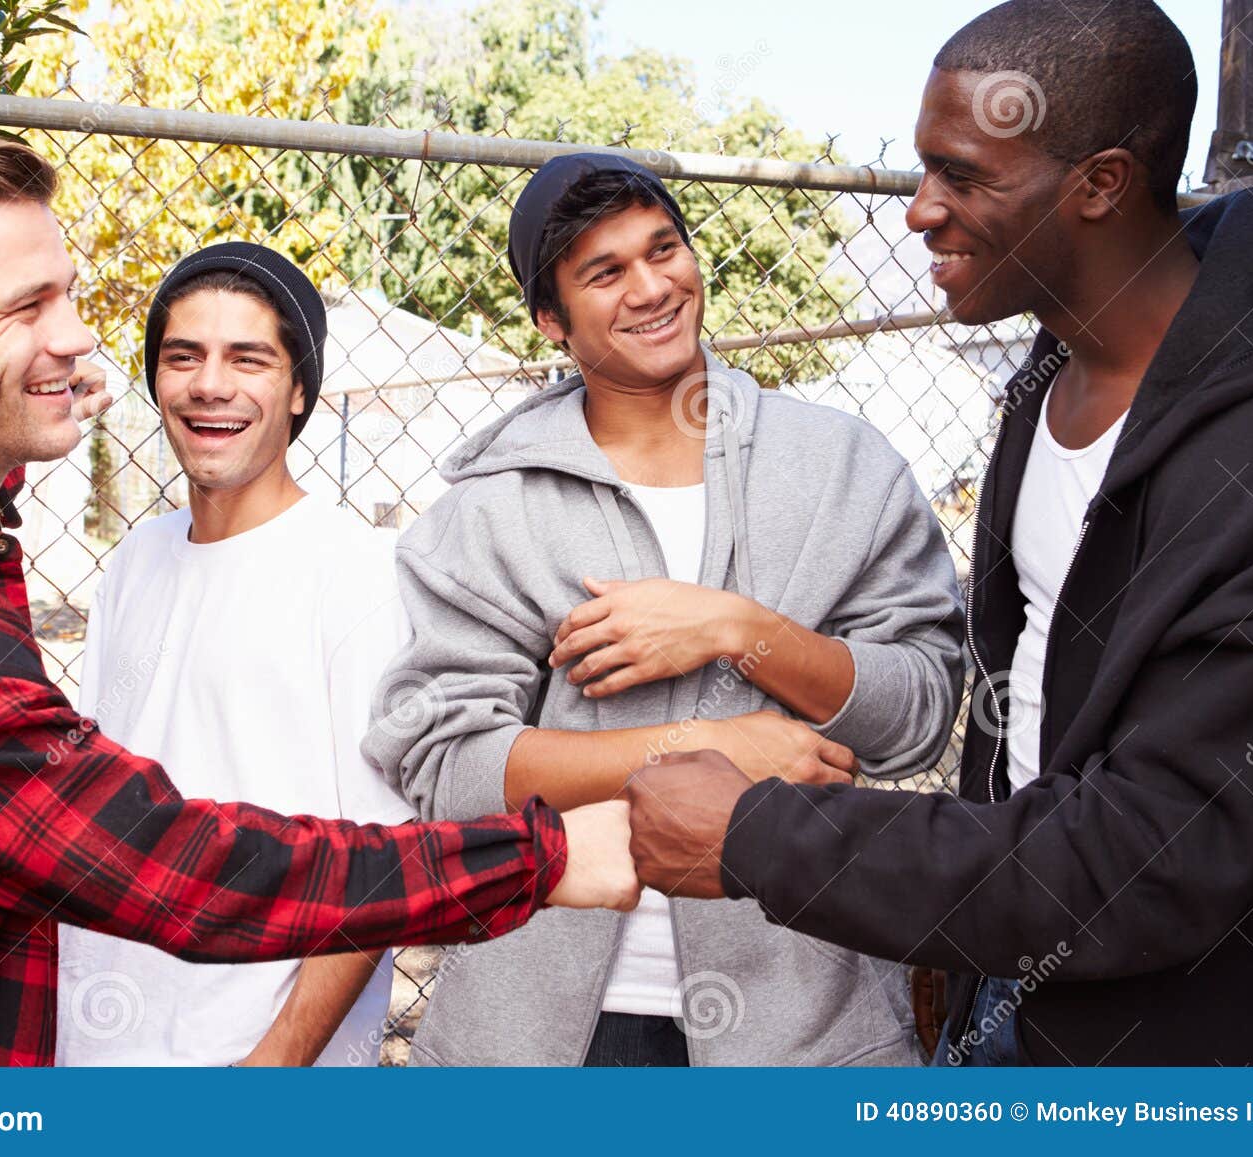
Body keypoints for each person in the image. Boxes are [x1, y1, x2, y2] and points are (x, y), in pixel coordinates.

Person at [0, 126, 638, 1068]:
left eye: (67, 293)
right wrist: (548, 857)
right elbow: (165, 862)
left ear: (302, 388)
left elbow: (360, 822)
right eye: (25, 309)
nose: (75, 336)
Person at [624, 0, 1253, 1065]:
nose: (920, 210)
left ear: (1099, 183)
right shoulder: (1049, 379)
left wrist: (760, 837)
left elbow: (1157, 854)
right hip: (1026, 990)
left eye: (963, 176)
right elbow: (1026, 742)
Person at [364, 153, 964, 1066]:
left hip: (804, 1023)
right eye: (605, 273)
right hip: (545, 1035)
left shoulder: (843, 466)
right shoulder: (492, 511)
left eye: (664, 249)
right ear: (551, 321)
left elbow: (916, 716)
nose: (652, 287)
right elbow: (448, 767)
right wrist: (700, 750)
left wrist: (737, 629)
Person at [56, 244, 420, 1067]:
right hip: (98, 1043)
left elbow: (383, 860)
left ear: (298, 389)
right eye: (183, 357)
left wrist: (275, 1066)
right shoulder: (135, 559)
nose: (209, 384)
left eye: (247, 359)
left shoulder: (359, 574)